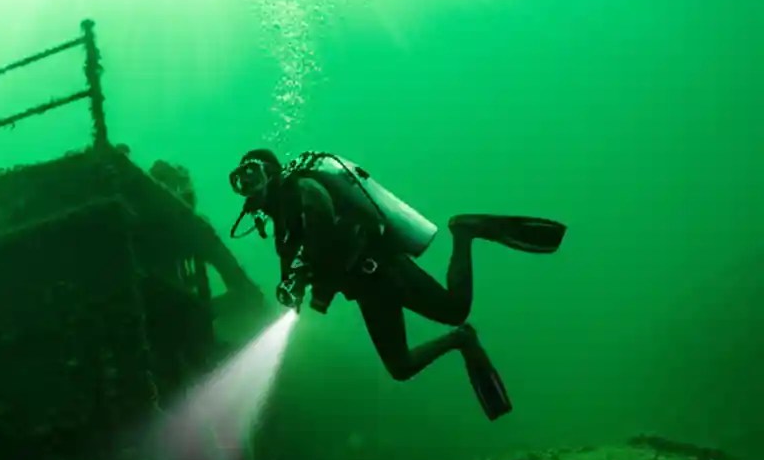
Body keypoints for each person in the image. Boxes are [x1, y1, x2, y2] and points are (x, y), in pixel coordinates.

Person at [226, 149, 567, 420]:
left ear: (272, 172)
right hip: (366, 289)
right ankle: (461, 339)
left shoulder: (299, 186)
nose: (247, 186)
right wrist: (294, 288)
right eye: (240, 180)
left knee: (455, 308)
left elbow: (321, 217)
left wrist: (305, 270)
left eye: (252, 174)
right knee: (401, 367)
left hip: (384, 269)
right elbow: (301, 263)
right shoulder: (283, 226)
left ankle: (464, 233)